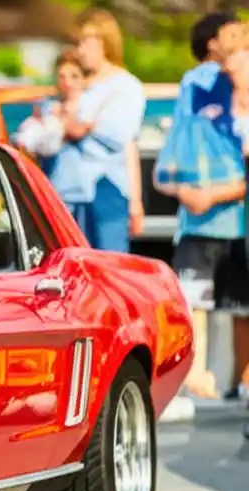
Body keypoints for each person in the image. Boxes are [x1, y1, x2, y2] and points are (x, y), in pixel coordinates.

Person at [155, 14, 249, 399]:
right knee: (192, 300)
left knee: (242, 307)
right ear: (212, 42)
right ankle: (193, 380)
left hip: (237, 217)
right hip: (200, 218)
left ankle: (240, 382)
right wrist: (181, 187)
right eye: (233, 33)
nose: (241, 38)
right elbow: (175, 153)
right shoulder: (196, 86)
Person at [66, 9, 146, 254]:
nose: (80, 51)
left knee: (109, 263)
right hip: (69, 189)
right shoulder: (75, 83)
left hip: (107, 186)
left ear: (105, 44)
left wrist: (135, 200)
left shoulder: (125, 86)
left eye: (86, 44)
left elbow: (124, 140)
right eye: (78, 44)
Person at [15, 51, 92, 209]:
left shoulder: (89, 106)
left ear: (84, 80)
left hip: (81, 191)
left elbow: (78, 131)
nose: (67, 82)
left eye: (74, 76)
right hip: (52, 187)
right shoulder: (47, 105)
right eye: (62, 76)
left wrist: (63, 118)